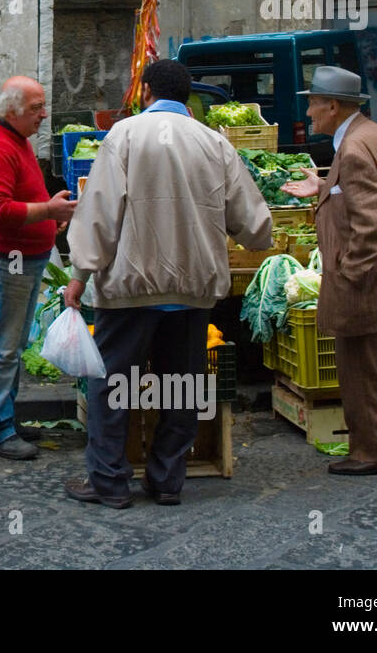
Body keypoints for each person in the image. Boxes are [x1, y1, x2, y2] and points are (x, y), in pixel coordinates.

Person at [62, 59, 272, 508]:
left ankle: (110, 482)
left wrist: (79, 274)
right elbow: (254, 226)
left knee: (112, 386)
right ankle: (166, 481)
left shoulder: (123, 136)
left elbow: (98, 214)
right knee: (182, 387)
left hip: (130, 290)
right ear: (188, 95)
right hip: (192, 290)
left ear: (145, 91)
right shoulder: (215, 143)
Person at [280, 65, 377, 476]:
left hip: (365, 278)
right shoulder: (375, 135)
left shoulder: (355, 148)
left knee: (358, 368)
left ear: (332, 105)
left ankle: (374, 452)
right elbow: (363, 193)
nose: (309, 114)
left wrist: (350, 276)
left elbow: (370, 221)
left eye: (312, 104)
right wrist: (324, 185)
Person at [0, 76, 76, 460]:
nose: (44, 115)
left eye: (43, 106)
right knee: (1, 347)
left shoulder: (17, 141)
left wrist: (50, 210)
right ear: (11, 110)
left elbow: (20, 197)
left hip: (20, 260)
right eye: (35, 108)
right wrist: (48, 211)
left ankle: (2, 418)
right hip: (4, 262)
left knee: (9, 346)